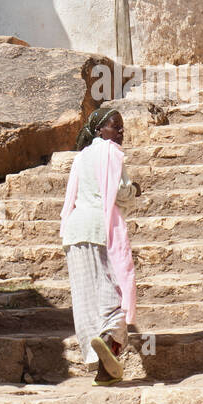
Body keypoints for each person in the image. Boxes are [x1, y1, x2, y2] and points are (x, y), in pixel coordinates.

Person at [60, 106, 141, 385]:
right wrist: (135, 190)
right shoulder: (110, 153)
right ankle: (109, 339)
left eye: (121, 127)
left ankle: (105, 372)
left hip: (74, 232)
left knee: (87, 302)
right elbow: (119, 192)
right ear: (99, 131)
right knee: (117, 296)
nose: (119, 132)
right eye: (114, 126)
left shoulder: (81, 157)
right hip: (100, 228)